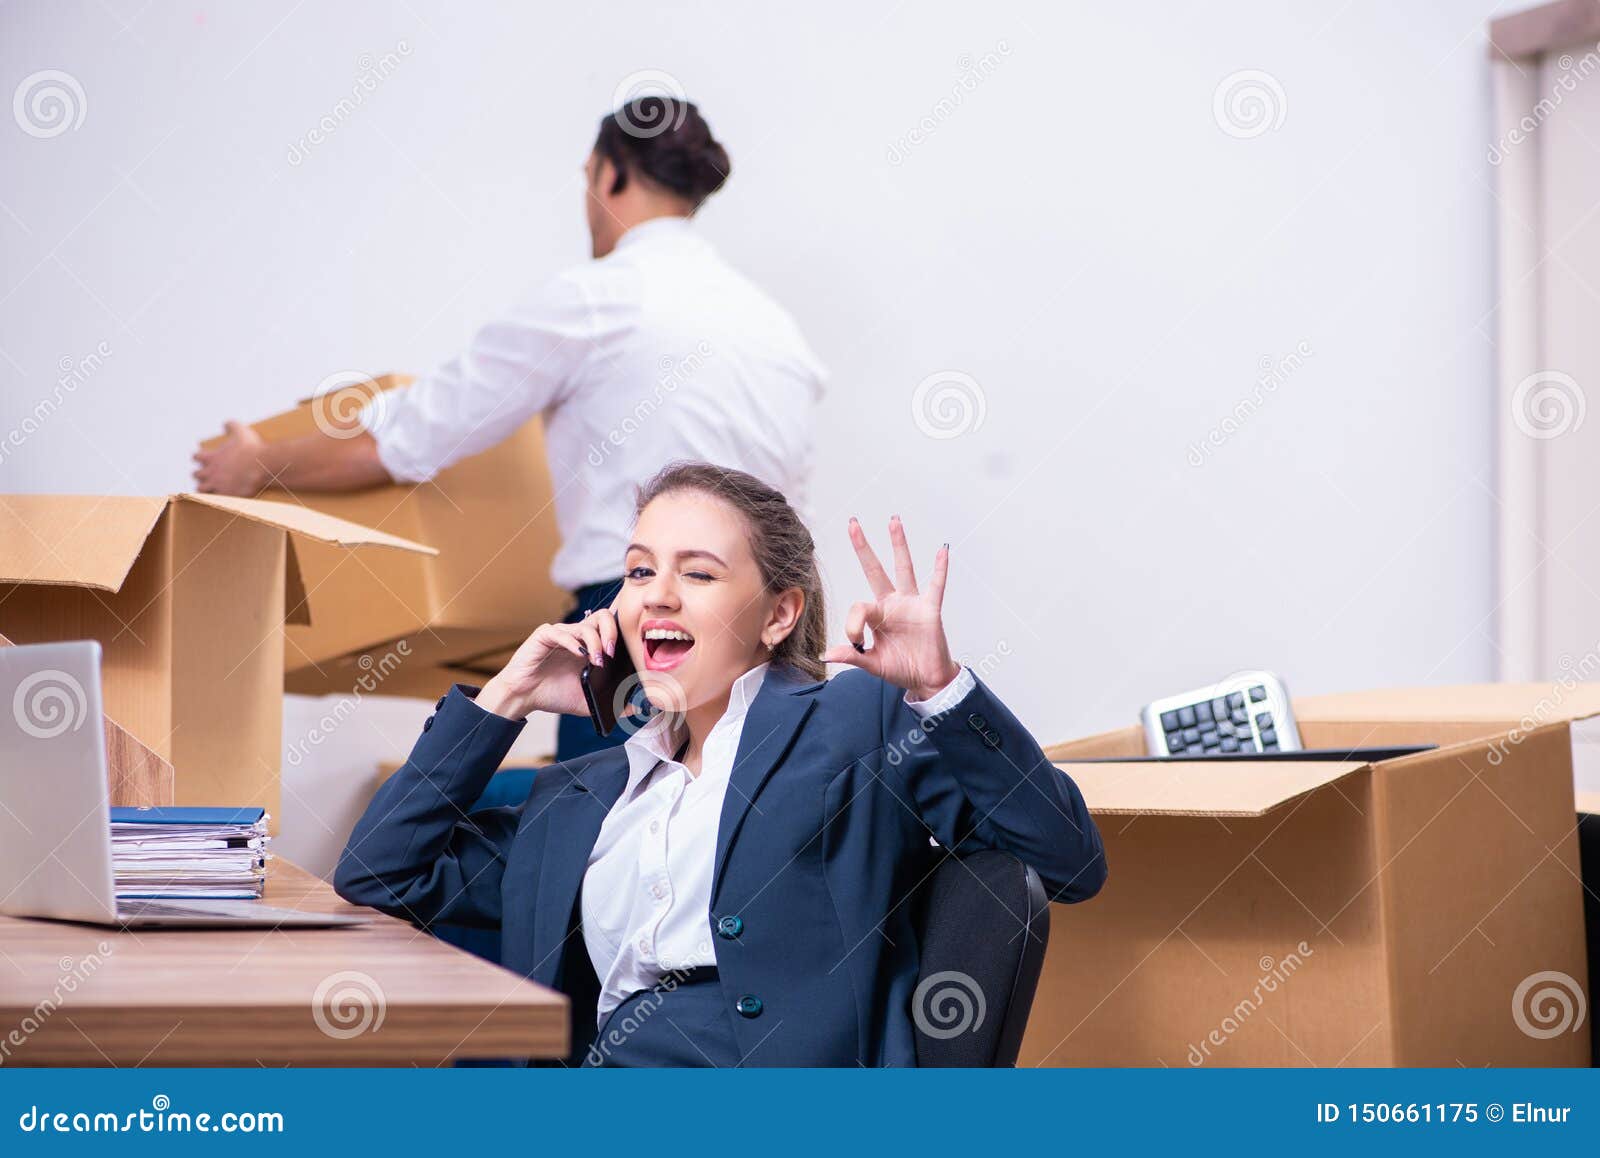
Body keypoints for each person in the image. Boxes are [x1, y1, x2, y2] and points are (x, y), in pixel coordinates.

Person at [334, 461, 1107, 1067]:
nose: (658, 595)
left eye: (697, 573)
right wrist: (505, 700)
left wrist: (939, 691)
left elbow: (1067, 862)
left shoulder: (854, 723)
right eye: (639, 572)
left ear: (780, 614)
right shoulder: (579, 797)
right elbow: (380, 874)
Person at [192, 97, 826, 762]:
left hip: (642, 623)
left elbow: (414, 435)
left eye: (588, 177)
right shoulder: (774, 328)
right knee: (734, 840)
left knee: (602, 843)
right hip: (767, 630)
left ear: (610, 174)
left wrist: (259, 463)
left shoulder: (595, 300)